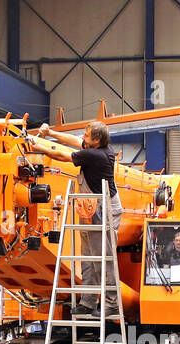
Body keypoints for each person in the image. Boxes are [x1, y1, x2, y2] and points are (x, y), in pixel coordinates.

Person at [28, 120, 122, 318]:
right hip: (90, 207)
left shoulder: (94, 155)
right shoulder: (97, 148)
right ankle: (88, 303)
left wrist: (36, 146)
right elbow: (74, 140)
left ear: (96, 140)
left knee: (102, 257)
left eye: (87, 136)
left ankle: (112, 303)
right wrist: (52, 133)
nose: (83, 138)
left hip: (102, 209)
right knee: (88, 256)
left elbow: (62, 155)